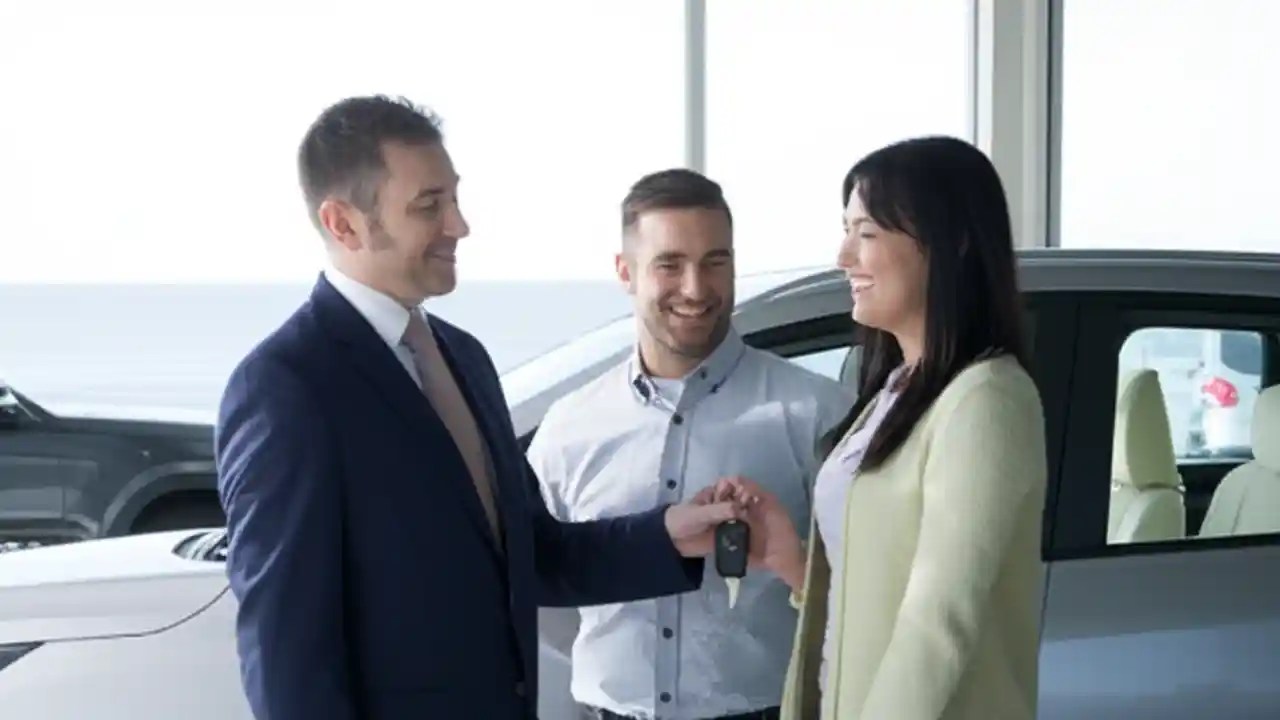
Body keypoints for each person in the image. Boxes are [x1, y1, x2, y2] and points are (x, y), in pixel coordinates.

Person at [214, 95, 759, 720]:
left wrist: (669, 534)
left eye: (453, 198)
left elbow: (533, 554)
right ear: (343, 224)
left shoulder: (461, 357)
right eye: (430, 206)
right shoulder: (286, 388)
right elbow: (287, 660)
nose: (459, 224)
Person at [527, 168, 855, 720]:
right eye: (669, 265)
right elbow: (546, 588)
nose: (696, 289)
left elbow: (862, 594)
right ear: (625, 272)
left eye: (715, 262)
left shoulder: (818, 414)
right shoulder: (567, 429)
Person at [745, 136, 1048, 719]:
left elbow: (936, 625)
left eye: (867, 234)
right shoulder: (893, 392)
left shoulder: (985, 400)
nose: (843, 256)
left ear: (952, 241)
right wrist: (794, 562)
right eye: (846, 230)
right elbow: (877, 593)